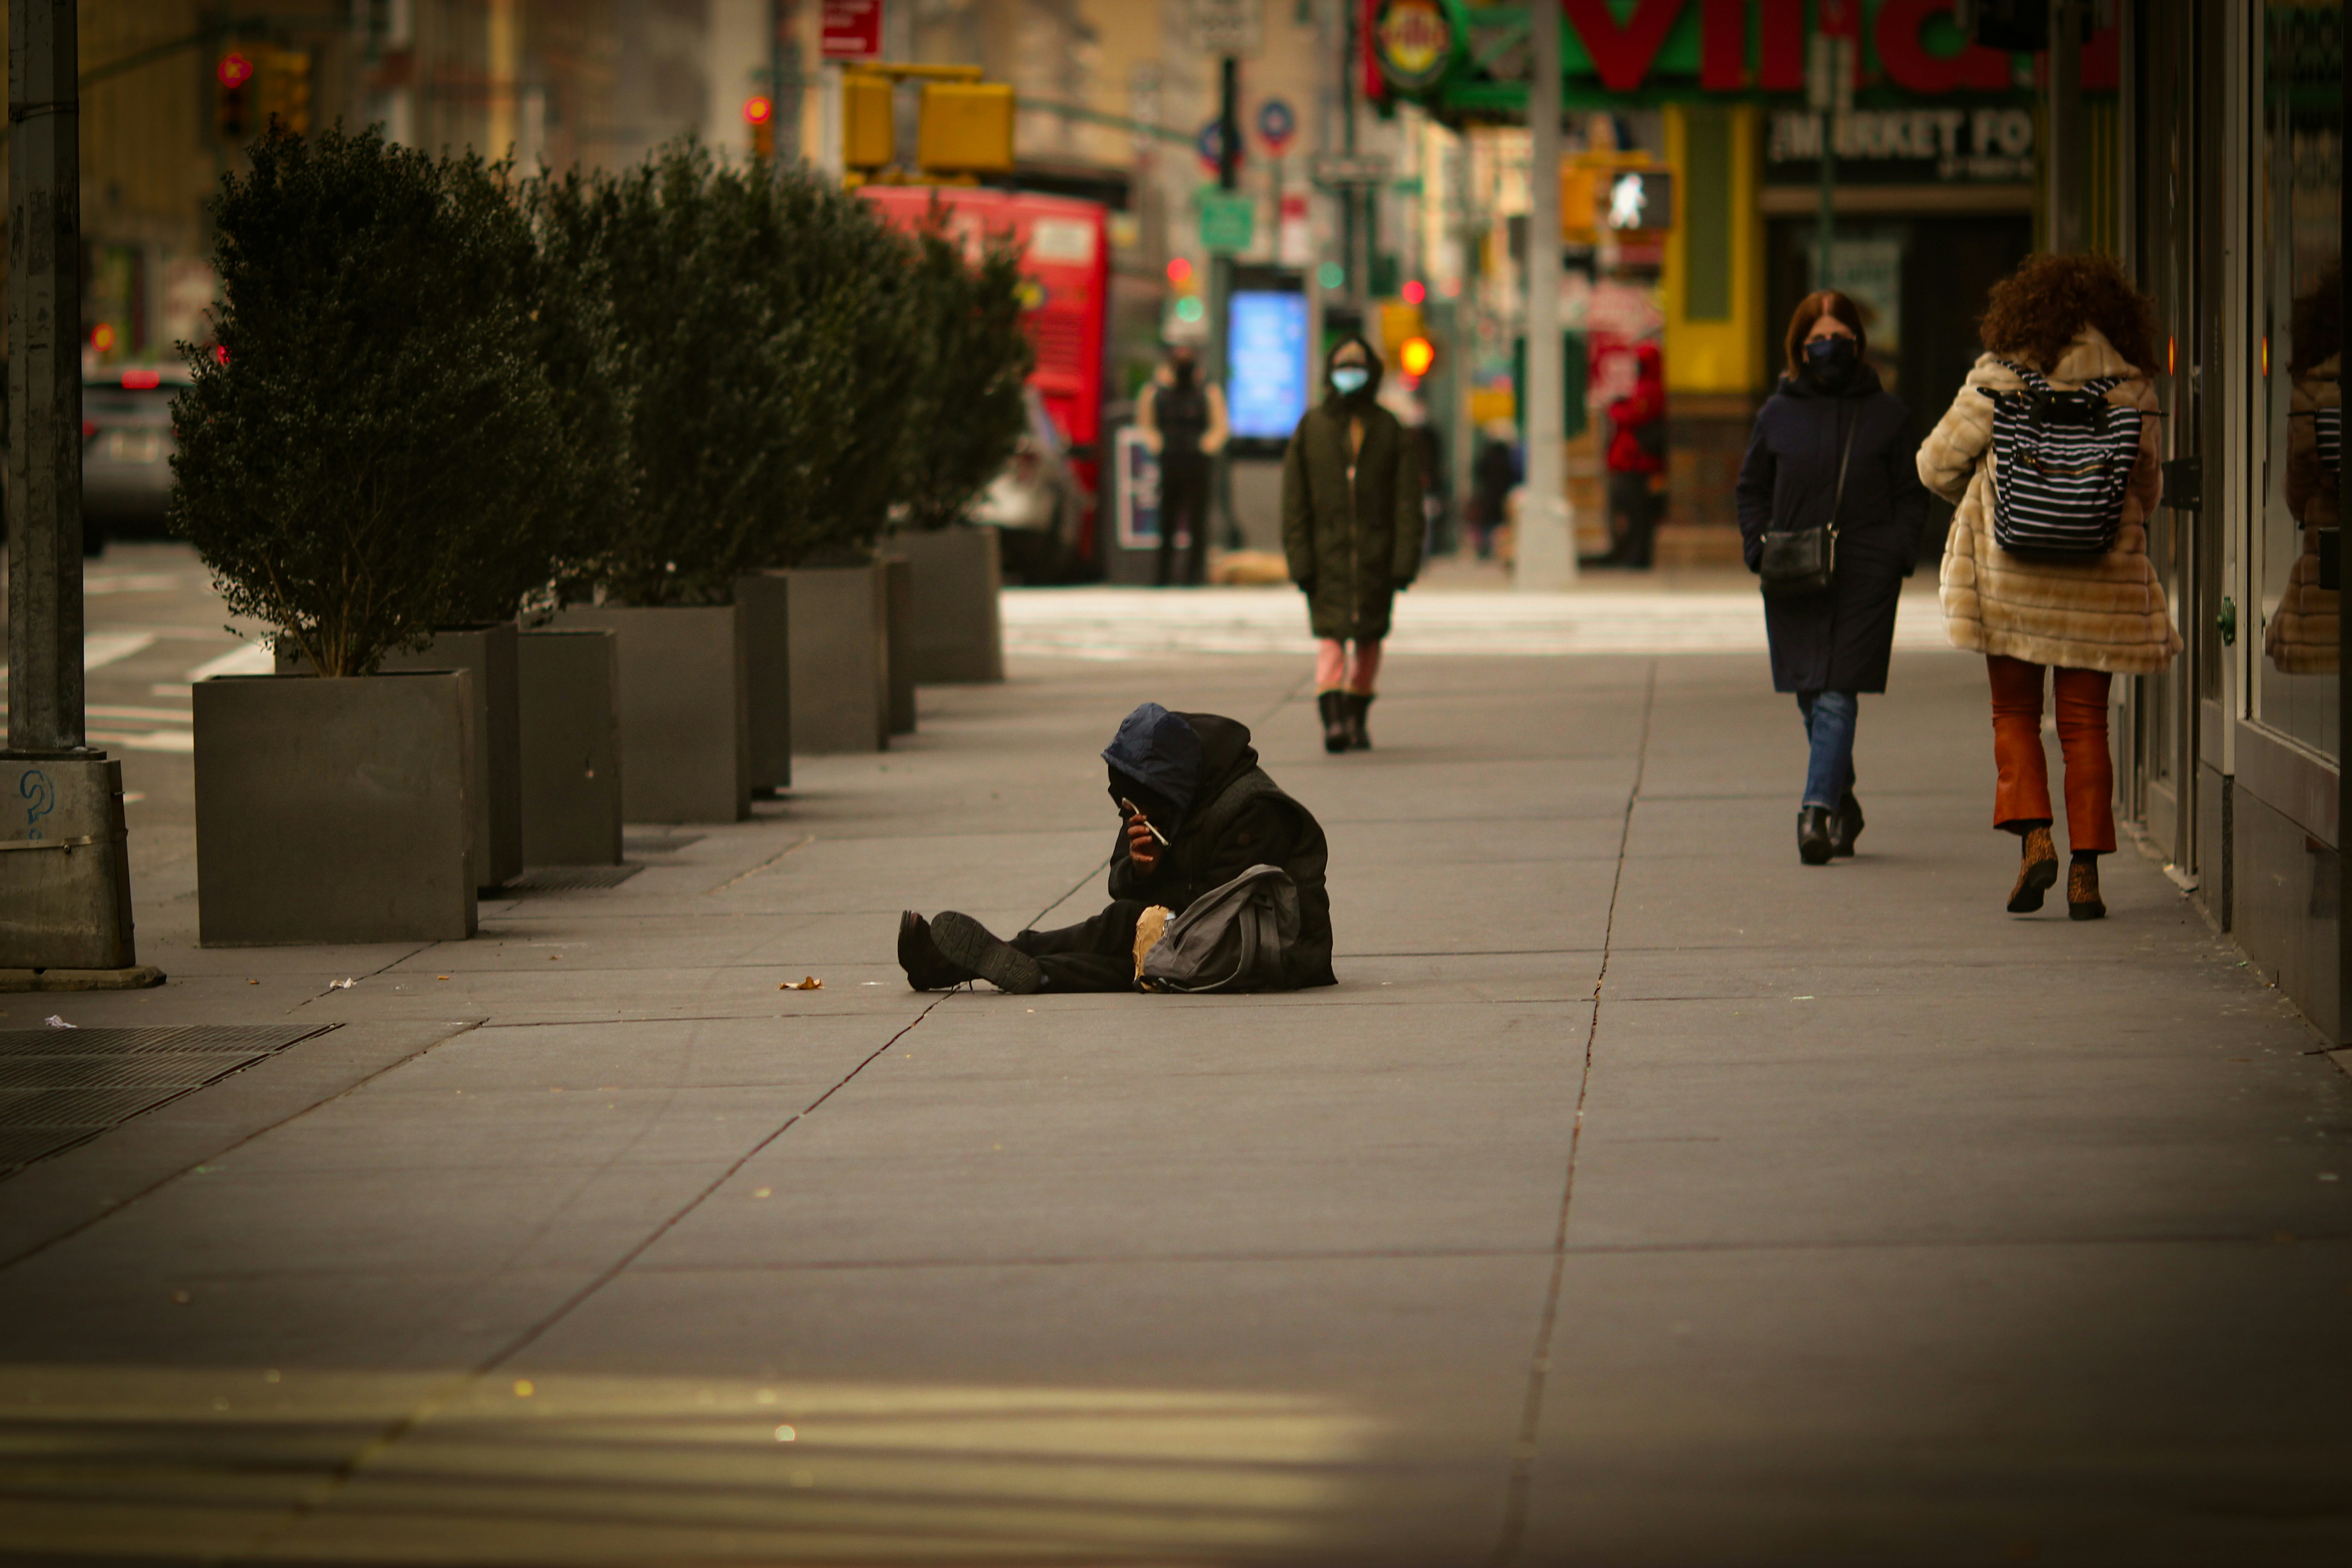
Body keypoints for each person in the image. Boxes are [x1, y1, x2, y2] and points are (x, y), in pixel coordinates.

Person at [1918, 251, 2179, 919]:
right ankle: (2087, 873)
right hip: (2100, 585)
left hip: (2011, 580)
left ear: (2025, 308)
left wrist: (1992, 492)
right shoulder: (2134, 386)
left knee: (2015, 717)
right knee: (2086, 725)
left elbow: (1935, 466)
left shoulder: (1997, 377)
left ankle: (2036, 840)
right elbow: (2147, 491)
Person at [898, 703, 1334, 994]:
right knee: (1123, 923)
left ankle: (1043, 975)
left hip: (1275, 949)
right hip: (1204, 930)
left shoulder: (1252, 811)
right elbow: (1121, 882)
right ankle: (960, 963)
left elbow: (1216, 914)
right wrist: (1143, 872)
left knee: (1148, 952)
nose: (1131, 812)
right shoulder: (1159, 796)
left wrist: (1160, 875)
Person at [1736, 290, 1930, 865]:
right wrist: (1757, 546)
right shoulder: (1776, 415)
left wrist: (1897, 551)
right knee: (1809, 695)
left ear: (1858, 345)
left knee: (1837, 693)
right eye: (1816, 341)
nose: (1828, 350)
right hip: (1794, 567)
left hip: (1867, 571)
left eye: (1839, 340)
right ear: (1799, 348)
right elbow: (1752, 488)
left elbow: (1910, 493)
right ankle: (1846, 803)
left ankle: (1816, 809)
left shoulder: (1888, 415)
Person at [1282, 335, 1422, 754]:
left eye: (1357, 366)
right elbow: (1295, 502)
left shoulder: (1388, 428)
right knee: (1330, 639)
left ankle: (1357, 716)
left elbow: (1407, 501)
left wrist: (1404, 560)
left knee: (1369, 640)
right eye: (1343, 366)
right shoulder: (1312, 428)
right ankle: (1335, 723)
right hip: (1326, 559)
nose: (1350, 374)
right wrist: (1300, 561)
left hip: (1377, 557)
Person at [1135, 343, 1229, 588]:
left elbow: (1220, 425)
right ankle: (1163, 574)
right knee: (1167, 520)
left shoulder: (1207, 390)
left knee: (1198, 521)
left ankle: (1194, 575)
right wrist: (1158, 445)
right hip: (1170, 460)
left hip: (1197, 462)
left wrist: (1206, 446)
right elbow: (1146, 422)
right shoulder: (1156, 390)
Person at [1604, 340, 1667, 568]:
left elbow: (1634, 415)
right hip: (1632, 462)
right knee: (1634, 513)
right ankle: (1630, 553)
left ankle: (1636, 556)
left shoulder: (1650, 389)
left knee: (1637, 513)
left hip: (1637, 463)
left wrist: (1615, 410)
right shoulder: (1646, 386)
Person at [1468, 421, 1519, 560]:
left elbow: (1479, 471)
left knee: (1488, 522)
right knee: (1498, 522)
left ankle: (1486, 548)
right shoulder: (1507, 455)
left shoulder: (1488, 452)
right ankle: (1495, 549)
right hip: (1501, 493)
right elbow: (1512, 474)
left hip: (1490, 493)